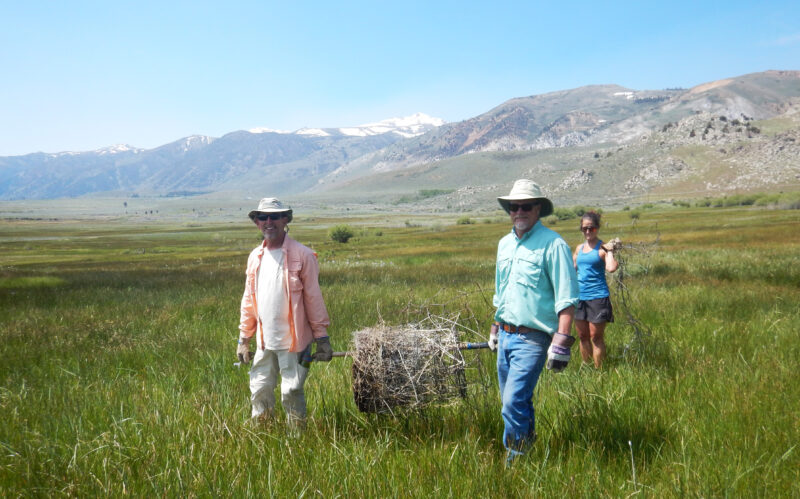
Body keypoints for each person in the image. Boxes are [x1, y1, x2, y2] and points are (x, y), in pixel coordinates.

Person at [488, 179, 579, 462]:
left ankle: (515, 458)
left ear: (538, 208)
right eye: (513, 207)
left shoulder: (553, 244)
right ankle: (529, 452)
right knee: (515, 401)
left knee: (512, 402)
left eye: (526, 206)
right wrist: (494, 328)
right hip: (504, 336)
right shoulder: (504, 244)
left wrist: (561, 343)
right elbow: (500, 291)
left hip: (533, 338)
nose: (519, 212)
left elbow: (567, 297)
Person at [236, 197, 333, 428]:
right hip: (263, 342)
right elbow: (248, 300)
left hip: (296, 343)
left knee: (292, 391)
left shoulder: (304, 255)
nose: (269, 221)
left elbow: (313, 299)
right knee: (259, 389)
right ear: (257, 222)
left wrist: (322, 339)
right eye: (263, 217)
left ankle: (296, 441)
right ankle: (262, 435)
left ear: (286, 219)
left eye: (275, 216)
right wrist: (243, 339)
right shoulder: (254, 257)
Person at [573, 211, 619, 368]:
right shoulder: (579, 249)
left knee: (595, 337)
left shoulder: (602, 249)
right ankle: (586, 368)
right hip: (580, 298)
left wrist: (610, 250)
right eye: (584, 228)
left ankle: (599, 371)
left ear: (597, 228)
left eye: (591, 228)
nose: (587, 231)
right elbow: (572, 269)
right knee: (582, 336)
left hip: (598, 297)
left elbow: (611, 268)